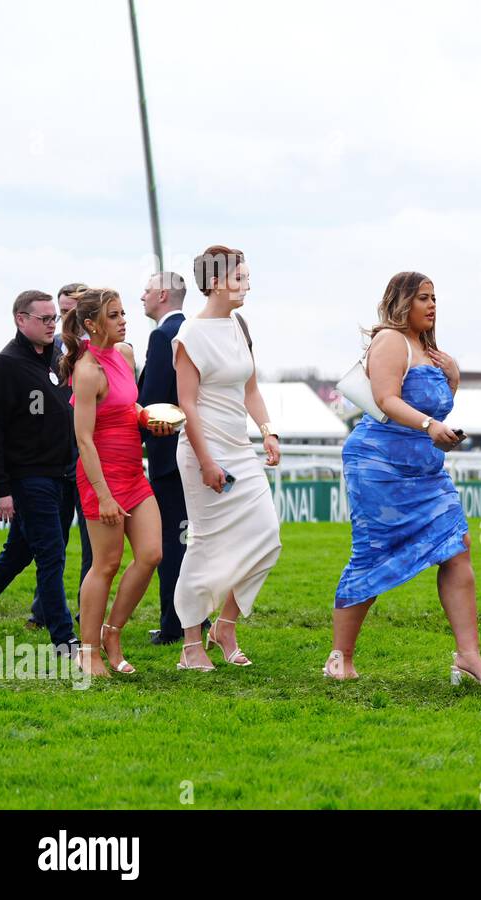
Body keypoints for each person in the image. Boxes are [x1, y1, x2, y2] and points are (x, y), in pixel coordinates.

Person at [324, 272, 481, 683]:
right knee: (372, 554)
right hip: (379, 466)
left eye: (435, 297)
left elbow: (433, 407)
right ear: (402, 302)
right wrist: (428, 426)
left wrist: (453, 380)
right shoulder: (391, 340)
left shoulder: (430, 351)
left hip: (425, 470)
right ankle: (340, 657)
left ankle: (468, 656)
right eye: (423, 298)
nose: (432, 305)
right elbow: (386, 400)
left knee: (458, 545)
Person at [173, 245, 282, 672]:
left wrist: (267, 430)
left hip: (241, 449)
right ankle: (190, 644)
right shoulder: (189, 335)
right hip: (204, 451)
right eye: (240, 278)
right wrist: (206, 462)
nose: (247, 285)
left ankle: (226, 625)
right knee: (204, 544)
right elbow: (188, 405)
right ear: (216, 282)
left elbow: (250, 388)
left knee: (266, 539)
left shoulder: (239, 324)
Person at [61, 288, 174, 676]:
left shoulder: (125, 354)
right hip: (101, 478)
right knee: (106, 565)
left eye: (124, 312)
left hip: (133, 473)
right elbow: (84, 439)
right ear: (91, 324)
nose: (124, 320)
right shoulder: (86, 370)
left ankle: (113, 633)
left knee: (151, 555)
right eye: (114, 315)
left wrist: (147, 418)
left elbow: (129, 406)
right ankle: (88, 651)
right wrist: (104, 496)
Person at [0, 290, 81, 655]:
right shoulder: (5, 366)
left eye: (53, 319)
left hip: (63, 474)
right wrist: (1, 489)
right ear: (20, 319)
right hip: (30, 478)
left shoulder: (58, 358)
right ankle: (64, 638)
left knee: (17, 555)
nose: (51, 325)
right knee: (52, 554)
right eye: (44, 319)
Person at [137, 271, 208, 646]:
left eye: (147, 290)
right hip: (198, 455)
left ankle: (174, 623)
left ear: (163, 294)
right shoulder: (196, 331)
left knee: (174, 543)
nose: (142, 296)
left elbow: (151, 402)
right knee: (195, 539)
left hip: (170, 460)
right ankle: (198, 617)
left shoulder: (163, 336)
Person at [24, 282, 92, 631]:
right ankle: (43, 611)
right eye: (61, 310)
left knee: (93, 542)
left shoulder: (102, 350)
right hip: (57, 463)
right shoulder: (47, 351)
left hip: (90, 459)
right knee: (54, 540)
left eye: (71, 310)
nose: (65, 317)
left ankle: (87, 611)